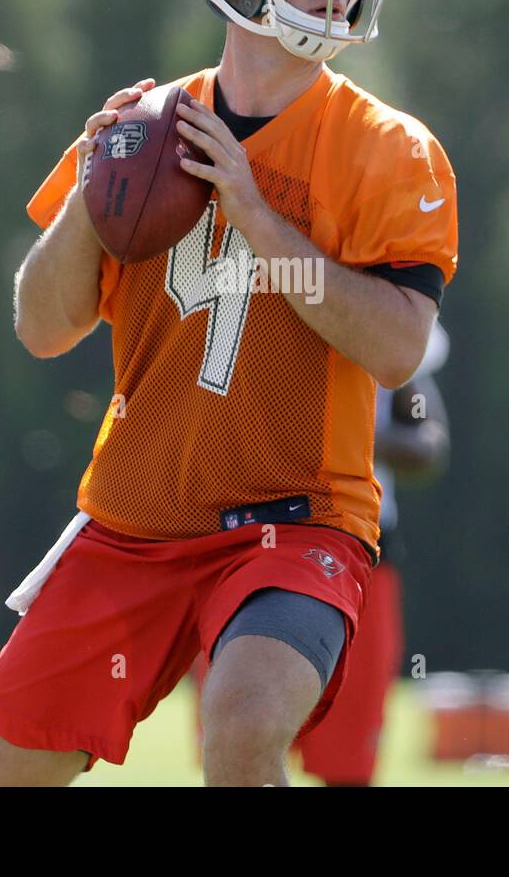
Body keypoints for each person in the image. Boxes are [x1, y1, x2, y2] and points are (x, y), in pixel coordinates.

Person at [0, 0, 458, 787]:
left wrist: (261, 218)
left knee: (241, 725)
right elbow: (41, 326)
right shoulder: (148, 131)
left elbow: (397, 349)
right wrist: (89, 195)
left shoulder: (390, 148)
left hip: (295, 519)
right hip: (132, 522)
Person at [189, 320, 450, 785]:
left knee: (348, 760)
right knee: (240, 743)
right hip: (241, 544)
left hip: (354, 551)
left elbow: (427, 442)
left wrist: (343, 425)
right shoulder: (235, 292)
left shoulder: (383, 305)